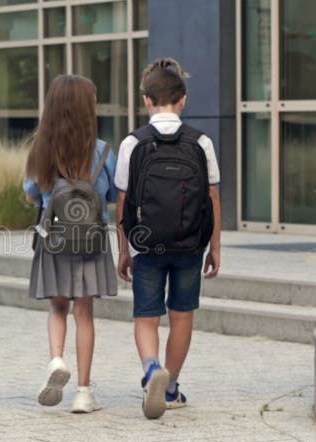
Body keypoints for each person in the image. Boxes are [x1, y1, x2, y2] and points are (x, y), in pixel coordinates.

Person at [114, 58, 222, 419]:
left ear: (147, 100)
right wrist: (215, 247)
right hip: (190, 245)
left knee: (146, 316)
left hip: (146, 245)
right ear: (183, 100)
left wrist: (124, 250)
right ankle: (171, 387)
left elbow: (123, 202)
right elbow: (213, 197)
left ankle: (151, 370)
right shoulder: (201, 142)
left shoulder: (133, 143)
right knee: (182, 315)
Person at [24, 74, 118, 414]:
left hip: (55, 239)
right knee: (85, 313)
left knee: (58, 307)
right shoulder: (103, 151)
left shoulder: (42, 148)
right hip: (92, 241)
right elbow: (111, 195)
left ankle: (56, 360)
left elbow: (31, 193)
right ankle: (83, 392)